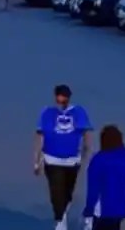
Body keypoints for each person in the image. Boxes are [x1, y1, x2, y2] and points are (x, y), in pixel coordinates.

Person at [35, 84, 92, 230]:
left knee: (67, 191)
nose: (62, 100)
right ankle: (60, 221)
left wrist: (87, 153)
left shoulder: (78, 112)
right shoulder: (47, 113)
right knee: (56, 191)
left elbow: (86, 133)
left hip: (72, 160)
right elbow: (40, 136)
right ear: (56, 97)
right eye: (60, 96)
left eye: (65, 96)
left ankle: (63, 214)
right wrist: (37, 160)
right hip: (52, 159)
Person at [84, 125, 125, 230]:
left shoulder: (98, 159)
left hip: (103, 211)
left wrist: (88, 210)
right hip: (122, 209)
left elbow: (93, 189)